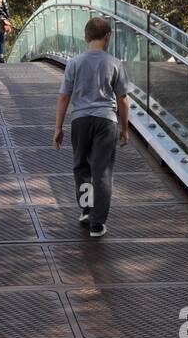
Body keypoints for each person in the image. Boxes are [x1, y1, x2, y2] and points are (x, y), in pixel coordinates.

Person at [53, 16, 131, 238]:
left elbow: (63, 97)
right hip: (106, 121)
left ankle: (86, 211)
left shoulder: (74, 63)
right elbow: (123, 98)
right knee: (102, 171)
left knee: (82, 167)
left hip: (80, 120)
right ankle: (97, 223)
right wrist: (125, 129)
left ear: (85, 37)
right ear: (108, 37)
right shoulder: (115, 63)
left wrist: (58, 128)